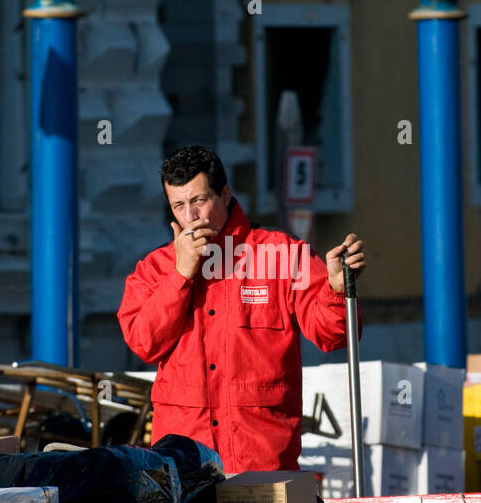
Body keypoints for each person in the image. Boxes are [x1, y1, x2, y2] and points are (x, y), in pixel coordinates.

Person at [117, 145, 365, 475]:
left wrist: (336, 289)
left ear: (225, 194)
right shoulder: (155, 268)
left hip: (260, 461)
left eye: (199, 201)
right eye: (178, 205)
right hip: (184, 464)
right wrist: (181, 274)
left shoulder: (282, 254)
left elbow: (333, 335)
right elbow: (143, 342)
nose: (190, 215)